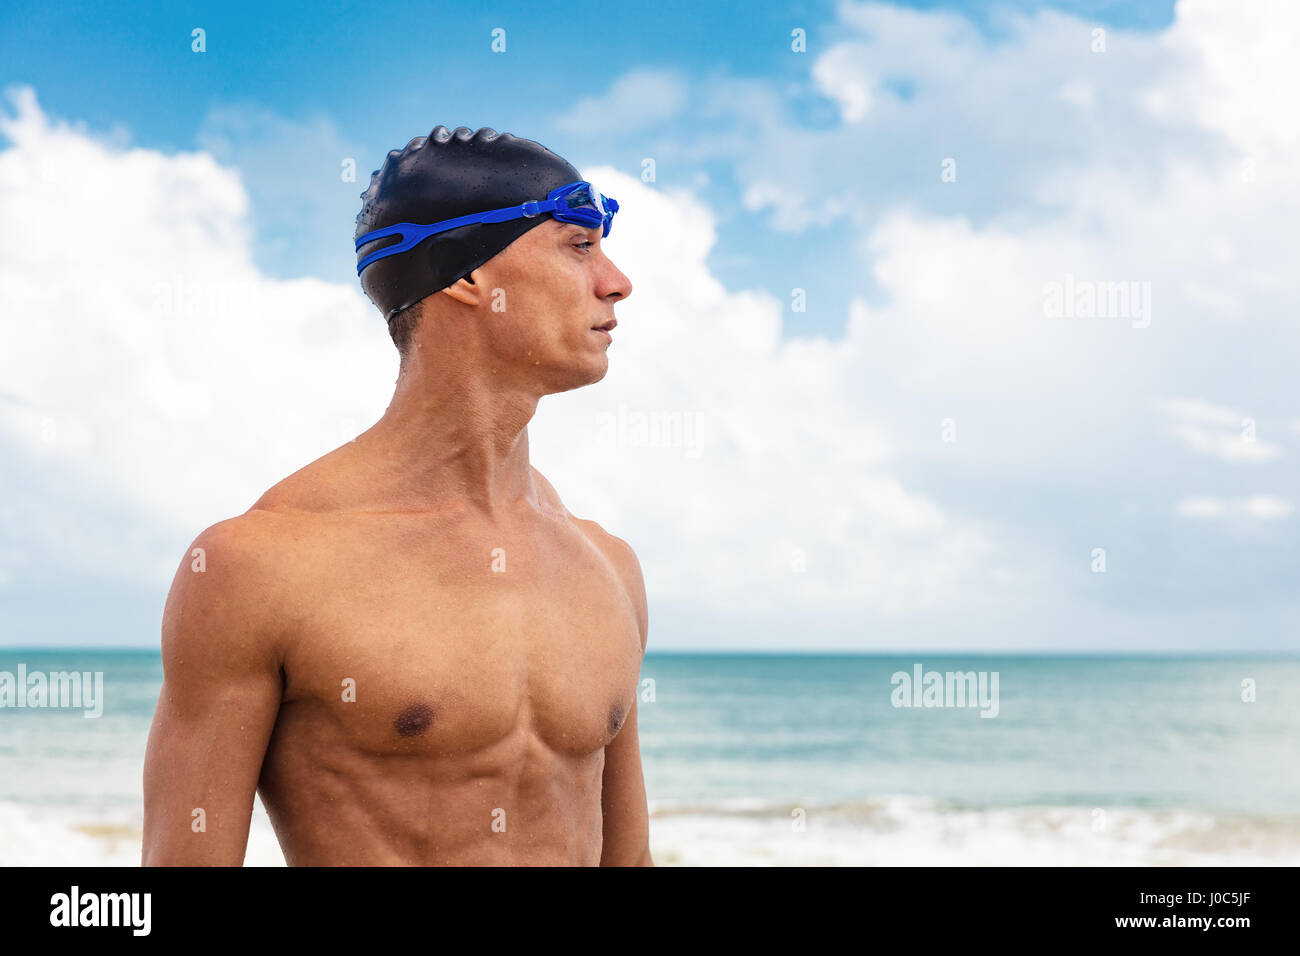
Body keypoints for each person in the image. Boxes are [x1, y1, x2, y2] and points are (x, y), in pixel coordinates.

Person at [142, 126, 650, 866]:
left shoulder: (609, 568)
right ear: (468, 276)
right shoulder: (258, 566)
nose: (616, 281)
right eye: (579, 246)